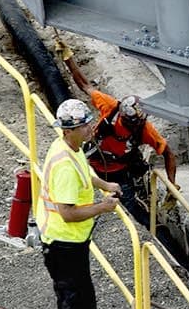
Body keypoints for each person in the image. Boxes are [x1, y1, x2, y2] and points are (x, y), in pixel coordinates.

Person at [38, 97, 125, 309]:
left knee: (68, 299)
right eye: (84, 126)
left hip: (63, 242)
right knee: (80, 303)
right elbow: (67, 213)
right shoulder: (64, 164)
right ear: (68, 130)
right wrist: (103, 207)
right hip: (65, 243)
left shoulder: (68, 147)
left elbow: (85, 173)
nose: (90, 129)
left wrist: (104, 184)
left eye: (89, 123)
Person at [66, 60, 178, 227]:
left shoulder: (145, 129)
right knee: (85, 199)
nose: (133, 127)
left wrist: (172, 184)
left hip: (119, 173)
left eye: (136, 124)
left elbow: (168, 153)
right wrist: (68, 59)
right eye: (130, 124)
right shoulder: (110, 107)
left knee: (127, 208)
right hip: (92, 163)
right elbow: (85, 85)